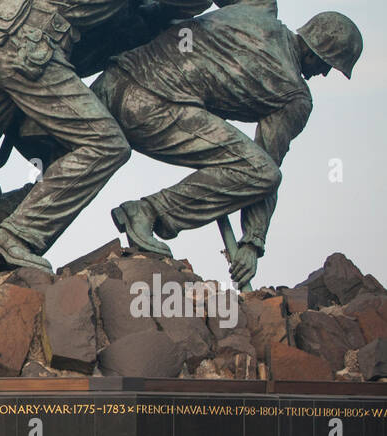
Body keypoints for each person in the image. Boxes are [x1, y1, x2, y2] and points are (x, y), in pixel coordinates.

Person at [94, 2, 362, 285]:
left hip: (112, 79)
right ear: (313, 52)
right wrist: (252, 244)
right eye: (328, 65)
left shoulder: (260, 6)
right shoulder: (295, 96)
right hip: (149, 108)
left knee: (53, 158)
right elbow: (266, 168)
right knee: (261, 172)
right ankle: (147, 211)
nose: (324, 74)